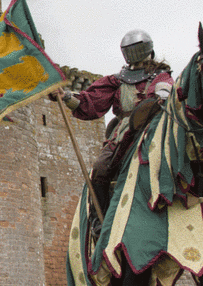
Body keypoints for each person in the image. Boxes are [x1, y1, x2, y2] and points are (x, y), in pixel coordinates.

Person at [52, 30, 172, 213]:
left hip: (156, 127)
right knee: (100, 168)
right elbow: (92, 101)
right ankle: (98, 217)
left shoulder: (161, 76)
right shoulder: (118, 80)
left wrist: (162, 96)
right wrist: (66, 96)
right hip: (124, 133)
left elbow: (164, 94)